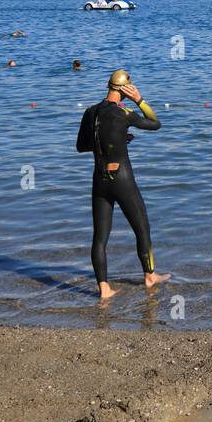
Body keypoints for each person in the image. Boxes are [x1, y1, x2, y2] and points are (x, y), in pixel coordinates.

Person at [76, 70, 168, 299]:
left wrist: (116, 138)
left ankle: (104, 289)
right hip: (122, 180)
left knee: (100, 237)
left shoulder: (90, 112)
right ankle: (149, 277)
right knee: (142, 227)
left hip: (99, 181)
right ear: (125, 89)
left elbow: (81, 146)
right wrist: (140, 100)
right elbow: (156, 124)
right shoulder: (124, 113)